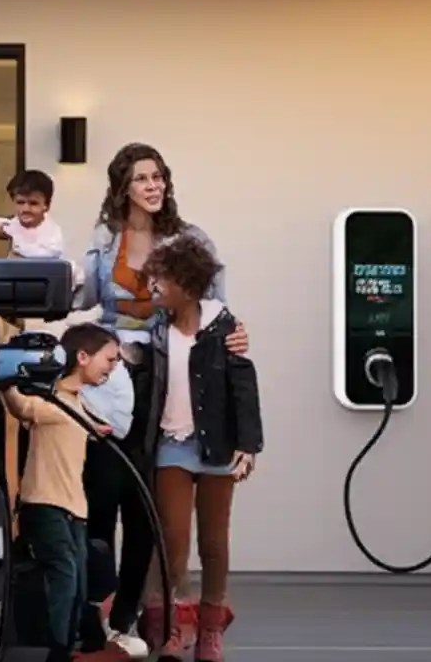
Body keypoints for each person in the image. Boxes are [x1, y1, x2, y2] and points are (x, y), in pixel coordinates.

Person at [74, 142, 250, 657]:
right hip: (110, 381)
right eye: (141, 178)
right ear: (122, 187)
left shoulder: (189, 240)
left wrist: (235, 335)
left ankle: (147, 615)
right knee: (103, 497)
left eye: (158, 177)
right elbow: (83, 298)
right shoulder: (105, 238)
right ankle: (99, 621)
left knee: (148, 507)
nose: (153, 186)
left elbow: (215, 314)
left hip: (167, 377)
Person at [137, 234, 263, 662]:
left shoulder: (224, 329)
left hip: (217, 447)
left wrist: (249, 445)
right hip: (171, 445)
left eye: (160, 280)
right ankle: (172, 624)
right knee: (172, 540)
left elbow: (244, 387)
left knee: (214, 542)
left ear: (187, 286)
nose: (152, 288)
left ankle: (210, 627)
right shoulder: (155, 331)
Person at [0, 323, 121, 661]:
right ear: (82, 357)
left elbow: (82, 426)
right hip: (46, 504)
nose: (113, 366)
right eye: (109, 359)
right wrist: (6, 381)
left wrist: (95, 428)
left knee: (78, 579)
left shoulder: (77, 405)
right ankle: (58, 650)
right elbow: (23, 408)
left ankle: (73, 643)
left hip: (74, 508)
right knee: (65, 572)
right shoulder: (53, 401)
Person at [0, 169, 82, 341]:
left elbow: (33, 255)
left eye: (33, 203)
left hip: (40, 314)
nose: (26, 209)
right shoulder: (17, 225)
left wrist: (14, 250)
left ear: (46, 205)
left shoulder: (51, 235)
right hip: (12, 307)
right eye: (20, 202)